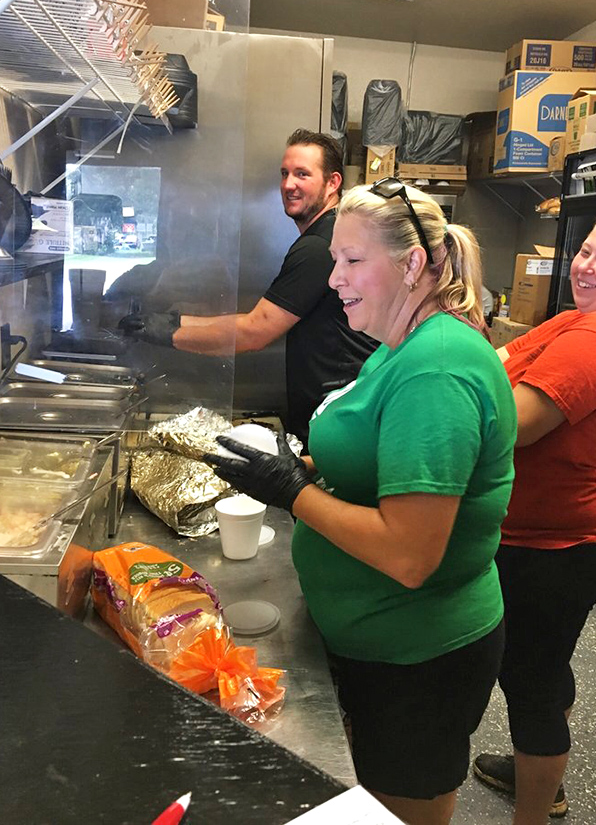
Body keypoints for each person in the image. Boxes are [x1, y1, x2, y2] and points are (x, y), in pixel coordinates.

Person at [205, 179, 517, 825]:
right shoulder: (399, 344)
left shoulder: (437, 367)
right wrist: (305, 465)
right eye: (334, 260)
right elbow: (386, 463)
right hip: (372, 638)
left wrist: (292, 490)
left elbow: (409, 554)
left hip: (418, 653)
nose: (335, 278)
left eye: (352, 261)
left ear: (410, 264)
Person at [473, 212, 596, 824]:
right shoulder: (579, 318)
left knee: (529, 676)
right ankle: (541, 775)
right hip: (573, 534)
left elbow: (510, 424)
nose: (584, 266)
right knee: (548, 658)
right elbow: (499, 359)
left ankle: (533, 811)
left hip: (561, 544)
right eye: (584, 251)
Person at [118, 129, 375, 446]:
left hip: (336, 422)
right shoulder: (325, 235)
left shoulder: (320, 246)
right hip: (331, 416)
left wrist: (163, 332)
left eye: (302, 174)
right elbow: (255, 319)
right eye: (284, 173)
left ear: (333, 182)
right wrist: (174, 321)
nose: (288, 184)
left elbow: (256, 330)